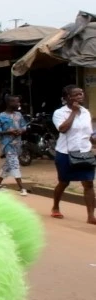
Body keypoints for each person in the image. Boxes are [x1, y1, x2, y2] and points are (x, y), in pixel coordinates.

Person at [51, 85, 95, 222]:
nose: (80, 95)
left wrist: (93, 138)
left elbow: (89, 133)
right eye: (76, 94)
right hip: (65, 153)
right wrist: (73, 113)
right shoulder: (59, 113)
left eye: (81, 93)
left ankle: (91, 216)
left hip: (84, 152)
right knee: (64, 182)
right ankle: (55, 207)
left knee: (88, 184)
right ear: (67, 98)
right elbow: (62, 129)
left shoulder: (86, 112)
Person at [0, 95, 28, 196]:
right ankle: (21, 188)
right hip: (7, 144)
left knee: (9, 164)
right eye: (16, 102)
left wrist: (21, 130)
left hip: (17, 143)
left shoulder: (19, 115)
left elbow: (24, 126)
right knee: (14, 163)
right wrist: (8, 132)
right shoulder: (0, 116)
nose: (18, 104)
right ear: (9, 103)